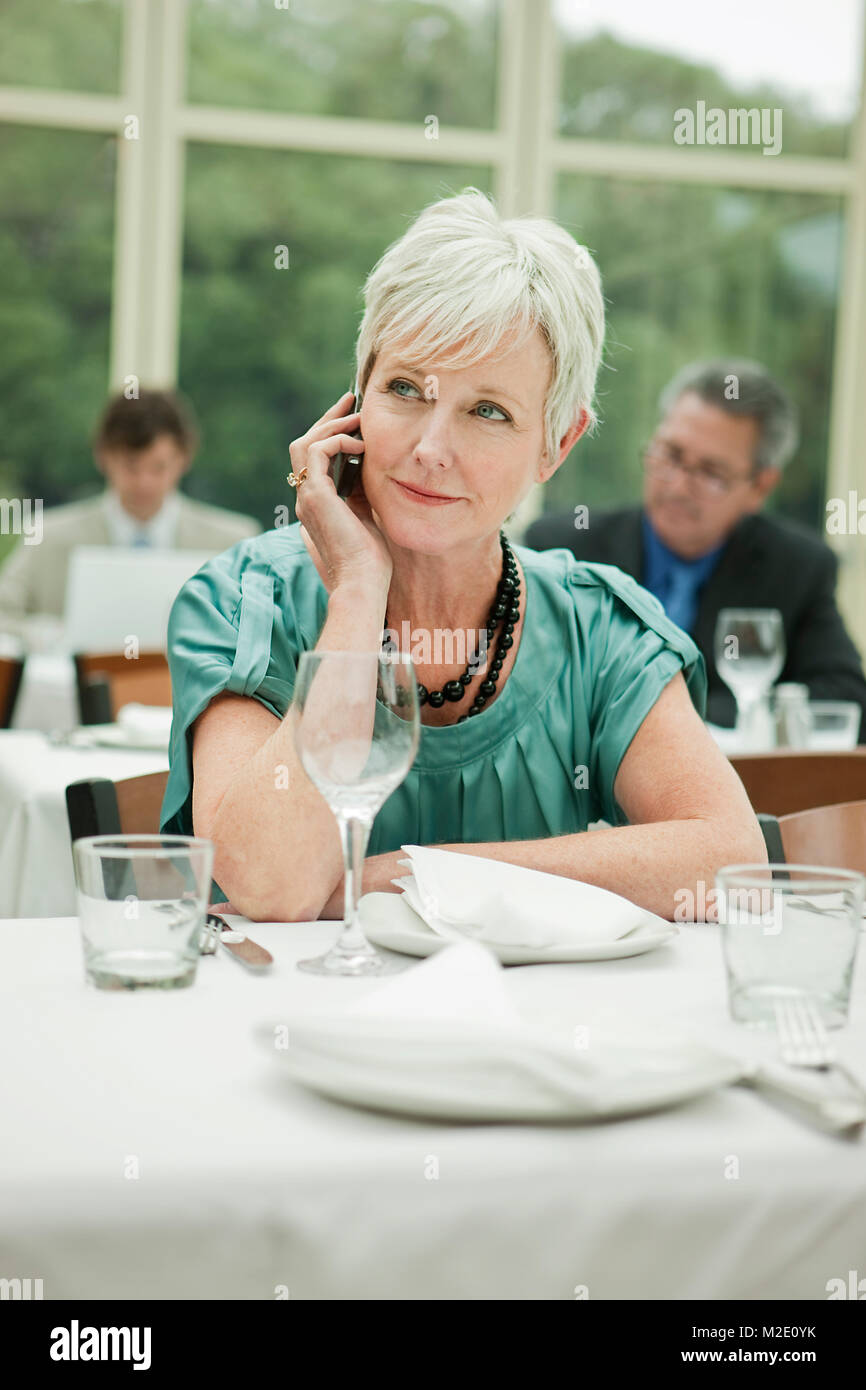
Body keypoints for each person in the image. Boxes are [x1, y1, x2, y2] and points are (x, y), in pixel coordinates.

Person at [160, 189, 764, 923]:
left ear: (556, 444)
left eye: (488, 411)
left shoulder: (599, 629)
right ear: (354, 405)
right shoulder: (244, 601)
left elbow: (731, 866)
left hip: (532, 1037)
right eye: (406, 389)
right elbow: (274, 887)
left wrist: (406, 876)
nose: (429, 449)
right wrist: (356, 591)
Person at [524, 360, 866, 734]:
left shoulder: (797, 567)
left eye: (710, 473)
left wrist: (681, 715)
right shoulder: (564, 547)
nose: (677, 486)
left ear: (760, 487)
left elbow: (844, 700)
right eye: (670, 455)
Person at [0, 389, 260, 638]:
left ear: (184, 459)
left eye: (158, 467)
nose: (144, 482)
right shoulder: (48, 536)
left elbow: (262, 627)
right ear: (103, 457)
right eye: (131, 467)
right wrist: (42, 636)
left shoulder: (232, 543)